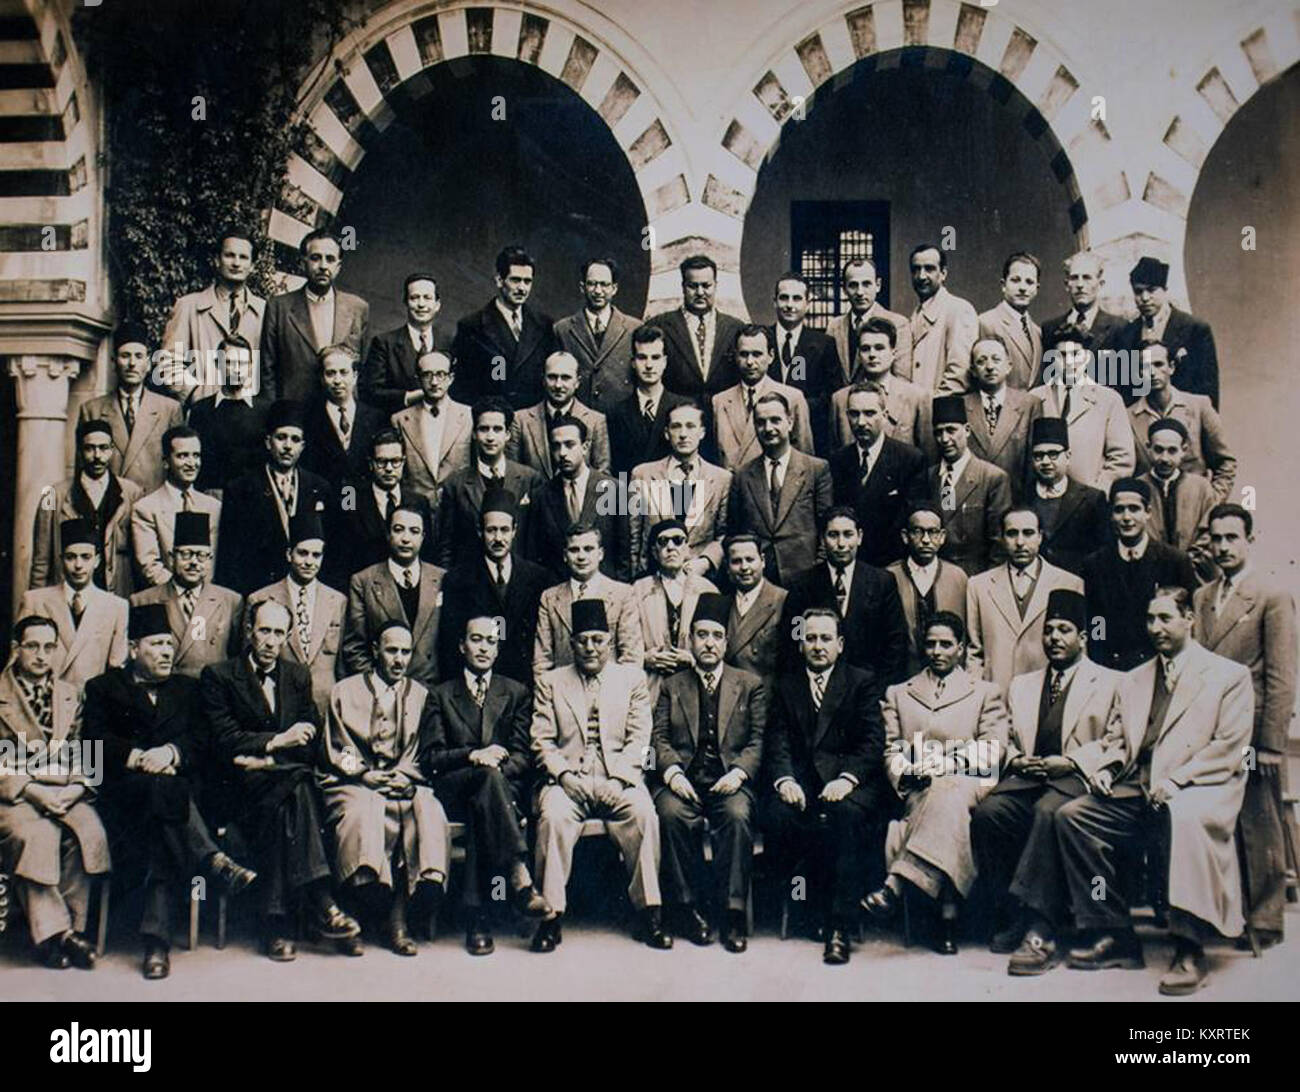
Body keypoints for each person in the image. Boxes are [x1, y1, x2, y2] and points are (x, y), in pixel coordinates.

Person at [1052, 587, 1252, 995]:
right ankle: (1113, 931)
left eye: (1165, 618)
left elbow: (1229, 748)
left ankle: (1188, 947)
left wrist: (1177, 780)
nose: (1155, 628)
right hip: (1138, 787)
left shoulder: (1227, 676)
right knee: (1073, 817)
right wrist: (1105, 768)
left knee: (1185, 818)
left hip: (1197, 787)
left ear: (1189, 619)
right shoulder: (1135, 679)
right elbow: (1116, 741)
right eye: (1150, 619)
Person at [82, 603, 257, 980]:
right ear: (133, 648)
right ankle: (212, 860)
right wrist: (136, 756)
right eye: (156, 644)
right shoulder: (102, 688)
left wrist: (172, 752)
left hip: (172, 809)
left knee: (166, 815)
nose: (166, 652)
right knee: (166, 795)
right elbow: (92, 742)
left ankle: (156, 943)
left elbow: (203, 741)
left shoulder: (188, 688)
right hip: (126, 804)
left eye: (169, 644)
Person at [968, 589, 1122, 974]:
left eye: (1065, 630)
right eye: (1049, 630)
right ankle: (1012, 912)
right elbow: (1004, 736)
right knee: (989, 813)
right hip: (1028, 777)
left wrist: (1070, 761)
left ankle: (1043, 927)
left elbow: (1115, 741)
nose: (1054, 638)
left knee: (1047, 813)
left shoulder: (1110, 683)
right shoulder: (1023, 684)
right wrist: (1016, 757)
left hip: (1074, 779)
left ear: (1083, 637)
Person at [201, 598, 361, 962]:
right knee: (299, 788)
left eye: (278, 633)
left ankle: (275, 923)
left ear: (287, 635)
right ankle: (323, 903)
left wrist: (264, 756)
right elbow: (223, 741)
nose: (271, 641)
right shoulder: (220, 676)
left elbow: (310, 742)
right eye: (264, 631)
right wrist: (278, 741)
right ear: (249, 632)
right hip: (238, 790)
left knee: (290, 800)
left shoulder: (297, 675)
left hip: (279, 784)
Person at [530, 598, 671, 952]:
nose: (590, 648)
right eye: (583, 641)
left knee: (644, 814)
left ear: (609, 642)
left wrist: (620, 779)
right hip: (569, 779)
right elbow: (542, 739)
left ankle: (649, 912)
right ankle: (550, 916)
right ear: (572, 643)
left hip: (617, 778)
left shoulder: (631, 678)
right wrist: (565, 777)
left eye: (598, 640)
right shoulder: (551, 681)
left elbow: (640, 738)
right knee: (553, 818)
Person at [868, 612, 1010, 954]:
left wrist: (944, 763)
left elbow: (994, 748)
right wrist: (908, 772)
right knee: (941, 796)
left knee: (946, 789)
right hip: (920, 787)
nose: (937, 651)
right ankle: (947, 914)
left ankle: (897, 882)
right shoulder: (900, 693)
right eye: (931, 643)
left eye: (946, 644)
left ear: (961, 648)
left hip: (970, 783)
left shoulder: (985, 692)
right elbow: (892, 748)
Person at [1194, 505, 1297, 948]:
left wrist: (1272, 743)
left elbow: (1280, 675)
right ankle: (1228, 912)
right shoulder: (1202, 597)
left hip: (1254, 731)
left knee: (1258, 817)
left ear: (1249, 540)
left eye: (1232, 538)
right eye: (1216, 539)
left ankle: (1266, 919)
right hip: (1213, 730)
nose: (1222, 548)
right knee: (1221, 819)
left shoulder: (1271, 596)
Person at [319, 621, 450, 957]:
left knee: (424, 809)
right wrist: (363, 774)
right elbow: (336, 748)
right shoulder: (344, 691)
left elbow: (423, 749)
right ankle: (357, 915)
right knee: (363, 812)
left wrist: (405, 774)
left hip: (403, 781)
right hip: (353, 783)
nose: (399, 659)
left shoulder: (421, 695)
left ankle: (398, 919)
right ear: (375, 649)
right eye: (392, 650)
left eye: (406, 652)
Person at [763, 608, 886, 965]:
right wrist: (785, 780)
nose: (818, 646)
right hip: (802, 784)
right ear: (800, 644)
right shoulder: (787, 684)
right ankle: (803, 905)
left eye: (826, 638)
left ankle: (838, 926)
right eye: (811, 638)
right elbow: (778, 740)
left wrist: (846, 780)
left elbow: (871, 742)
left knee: (844, 818)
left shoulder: (861, 681)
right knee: (777, 816)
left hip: (850, 783)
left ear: (840, 644)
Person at [422, 614, 550, 955]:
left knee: (486, 799)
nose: (483, 647)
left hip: (496, 792)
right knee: (487, 784)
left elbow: (524, 756)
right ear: (462, 646)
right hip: (455, 787)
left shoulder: (516, 692)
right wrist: (474, 755)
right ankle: (518, 876)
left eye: (490, 641)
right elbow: (432, 758)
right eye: (476, 639)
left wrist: (493, 768)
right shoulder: (440, 694)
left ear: (497, 648)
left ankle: (476, 918)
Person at [653, 593, 766, 953]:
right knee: (670, 815)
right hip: (685, 779)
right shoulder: (672, 685)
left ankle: (732, 914)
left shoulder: (749, 684)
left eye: (717, 636)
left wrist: (739, 774)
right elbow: (657, 737)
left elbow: (758, 739)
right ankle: (686, 909)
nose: (709, 643)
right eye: (701, 635)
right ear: (689, 640)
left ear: (726, 642)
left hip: (728, 780)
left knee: (736, 816)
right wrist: (672, 773)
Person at [0, 616, 110, 970]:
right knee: (36, 835)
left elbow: (85, 750)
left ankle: (69, 932)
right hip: (14, 796)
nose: (41, 655)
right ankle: (57, 936)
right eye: (32, 646)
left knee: (85, 833)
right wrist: (31, 789)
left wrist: (77, 787)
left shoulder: (69, 692)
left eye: (49, 647)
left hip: (64, 789)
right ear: (16, 649)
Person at [215, 399, 333, 597]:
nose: (288, 446)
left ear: (303, 446)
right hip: (258, 589)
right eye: (281, 438)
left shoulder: (319, 487)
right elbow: (230, 557)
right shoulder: (241, 489)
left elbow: (331, 547)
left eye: (295, 440)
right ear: (268, 442)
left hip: (305, 590)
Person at [781, 507, 909, 684]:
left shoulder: (882, 582)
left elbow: (896, 641)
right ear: (822, 539)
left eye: (848, 534)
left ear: (860, 537)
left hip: (868, 687)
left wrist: (880, 690)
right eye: (833, 535)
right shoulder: (802, 585)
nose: (841, 543)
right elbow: (794, 640)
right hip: (818, 688)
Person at [965, 508, 1085, 695]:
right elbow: (974, 653)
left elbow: (1085, 642)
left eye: (1028, 533)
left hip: (1046, 697)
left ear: (1040, 537)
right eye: (1012, 534)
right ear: (1002, 539)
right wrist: (976, 698)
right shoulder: (978, 586)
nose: (1020, 542)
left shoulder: (1070, 583)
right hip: (996, 698)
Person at [437, 487, 550, 685]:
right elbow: (450, 644)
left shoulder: (537, 578)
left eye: (504, 530)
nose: (498, 538)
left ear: (515, 530)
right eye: (491, 530)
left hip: (522, 684)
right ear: (480, 531)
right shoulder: (458, 580)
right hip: (477, 681)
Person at [1080, 479, 1196, 670]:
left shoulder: (1174, 561)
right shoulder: (1095, 564)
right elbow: (1096, 619)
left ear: (1148, 512)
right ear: (1111, 515)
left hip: (1159, 666)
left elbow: (1188, 621)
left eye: (1134, 509)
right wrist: (1099, 659)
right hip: (1112, 666)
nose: (1126, 517)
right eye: (1119, 510)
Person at [727, 391, 833, 587]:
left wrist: (817, 570)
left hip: (805, 578)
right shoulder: (742, 475)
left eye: (775, 420)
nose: (768, 428)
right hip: (759, 580)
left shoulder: (816, 469)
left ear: (790, 422)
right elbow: (735, 530)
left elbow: (826, 528)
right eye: (761, 422)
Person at [246, 512, 346, 717]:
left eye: (316, 555)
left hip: (325, 703)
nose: (309, 562)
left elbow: (343, 663)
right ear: (289, 554)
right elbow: (249, 662)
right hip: (277, 703)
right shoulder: (260, 598)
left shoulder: (337, 601)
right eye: (302, 553)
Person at [31, 418, 143, 598]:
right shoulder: (53, 495)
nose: (97, 456)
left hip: (116, 591)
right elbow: (41, 560)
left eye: (103, 448)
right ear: (80, 452)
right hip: (68, 593)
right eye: (90, 448)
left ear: (112, 450)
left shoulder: (132, 493)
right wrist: (36, 605)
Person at [157, 227, 266, 405]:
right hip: (204, 414)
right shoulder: (189, 306)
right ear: (217, 260)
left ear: (252, 266)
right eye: (229, 255)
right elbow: (168, 363)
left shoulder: (264, 311)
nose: (236, 263)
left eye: (243, 257)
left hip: (249, 415)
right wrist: (196, 394)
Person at [342, 502, 445, 688]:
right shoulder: (364, 581)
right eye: (398, 530)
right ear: (388, 534)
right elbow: (354, 647)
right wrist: (378, 686)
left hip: (430, 691)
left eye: (414, 531)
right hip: (381, 692)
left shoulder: (441, 578)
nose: (406, 538)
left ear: (423, 537)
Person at [260, 228, 369, 402]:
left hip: (340, 409)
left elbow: (363, 369)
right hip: (294, 409)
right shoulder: (279, 307)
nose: (323, 266)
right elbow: (267, 369)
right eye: (315, 258)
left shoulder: (358, 308)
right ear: (303, 263)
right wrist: (275, 413)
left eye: (330, 259)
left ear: (338, 267)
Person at [129, 512, 243, 679]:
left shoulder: (230, 600)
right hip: (165, 693)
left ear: (210, 559)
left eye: (201, 556)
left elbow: (235, 657)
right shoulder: (143, 600)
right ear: (172, 557)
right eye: (186, 554)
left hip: (210, 694)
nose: (194, 562)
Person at [434, 396, 544, 568]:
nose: (490, 437)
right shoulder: (455, 484)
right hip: (472, 581)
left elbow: (537, 541)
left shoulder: (529, 479)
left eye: (497, 429)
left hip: (519, 579)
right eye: (484, 429)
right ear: (474, 433)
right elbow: (447, 546)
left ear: (507, 434)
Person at [17, 519, 128, 688]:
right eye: (71, 557)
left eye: (86, 557)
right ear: (61, 560)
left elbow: (117, 666)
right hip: (47, 701)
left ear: (97, 561)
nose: (78, 565)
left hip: (92, 704)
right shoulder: (35, 600)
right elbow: (17, 659)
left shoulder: (116, 607)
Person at [77, 323, 185, 493]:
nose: (132, 363)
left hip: (154, 509)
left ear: (148, 364)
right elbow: (82, 470)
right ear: (114, 362)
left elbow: (178, 469)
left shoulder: (169, 410)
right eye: (125, 356)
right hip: (110, 508)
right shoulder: (92, 410)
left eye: (138, 356)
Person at [828, 380, 926, 567]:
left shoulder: (910, 459)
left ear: (884, 415)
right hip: (849, 563)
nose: (861, 422)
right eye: (854, 414)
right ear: (847, 416)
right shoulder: (837, 461)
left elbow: (912, 519)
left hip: (892, 564)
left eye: (869, 413)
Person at [629, 400, 731, 579]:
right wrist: (636, 577)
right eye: (676, 427)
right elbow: (633, 535)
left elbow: (723, 534)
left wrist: (705, 562)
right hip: (653, 577)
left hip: (701, 578)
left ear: (702, 433)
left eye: (691, 426)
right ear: (667, 433)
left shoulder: (721, 479)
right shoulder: (643, 474)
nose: (683, 434)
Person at [323, 428, 435, 587]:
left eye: (395, 461)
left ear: (403, 462)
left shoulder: (418, 501)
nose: (389, 468)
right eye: (382, 462)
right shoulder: (351, 496)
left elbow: (427, 553)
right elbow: (340, 552)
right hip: (363, 588)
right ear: (371, 463)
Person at [451, 245, 559, 409]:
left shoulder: (544, 325)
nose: (522, 288)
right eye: (515, 280)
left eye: (527, 281)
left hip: (533, 421)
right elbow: (461, 388)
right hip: (492, 424)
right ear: (499, 280)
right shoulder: (472, 326)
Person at [1127, 343, 1236, 499]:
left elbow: (1225, 463)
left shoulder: (1199, 406)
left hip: (1194, 505)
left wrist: (1211, 503)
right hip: (1151, 511)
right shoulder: (1128, 416)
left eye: (1158, 364)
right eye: (1144, 367)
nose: (1151, 373)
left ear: (1171, 367)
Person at [1108, 256, 1220, 406]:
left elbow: (1208, 389)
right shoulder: (1126, 334)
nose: (1145, 298)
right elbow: (1123, 389)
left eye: (1151, 290)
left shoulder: (1195, 329)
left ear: (1165, 290)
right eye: (1138, 292)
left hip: (1184, 419)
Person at [528, 415, 629, 581]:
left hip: (605, 590)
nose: (562, 453)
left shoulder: (614, 489)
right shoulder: (541, 495)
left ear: (585, 446)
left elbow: (623, 552)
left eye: (569, 445)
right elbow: (535, 554)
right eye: (556, 446)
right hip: (558, 592)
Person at [1032, 328, 1134, 492]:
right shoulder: (1035, 398)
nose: (1069, 362)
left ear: (1087, 357)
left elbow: (1122, 458)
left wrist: (1097, 492)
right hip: (1045, 495)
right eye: (1062, 355)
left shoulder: (1109, 399)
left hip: (1090, 499)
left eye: (1075, 354)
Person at [533, 524, 643, 674]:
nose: (581, 556)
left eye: (588, 549)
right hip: (563, 692)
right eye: (574, 550)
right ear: (565, 555)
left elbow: (631, 657)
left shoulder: (623, 594)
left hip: (610, 691)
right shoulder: (550, 598)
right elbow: (542, 660)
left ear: (600, 554)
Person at [633, 518, 718, 704]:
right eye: (663, 542)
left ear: (687, 549)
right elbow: (627, 641)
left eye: (678, 540)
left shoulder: (707, 590)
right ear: (655, 552)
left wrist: (693, 659)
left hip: (695, 685)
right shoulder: (638, 590)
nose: (671, 547)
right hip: (651, 686)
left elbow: (719, 647)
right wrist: (645, 658)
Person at [927, 395, 1012, 575]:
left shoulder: (992, 478)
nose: (944, 439)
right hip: (936, 575)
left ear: (966, 430)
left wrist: (986, 585)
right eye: (938, 432)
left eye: (951, 430)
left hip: (973, 576)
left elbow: (999, 545)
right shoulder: (928, 477)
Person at [129, 426, 222, 587]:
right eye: (182, 456)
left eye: (196, 456)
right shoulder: (146, 508)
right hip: (166, 598)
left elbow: (213, 563)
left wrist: (202, 595)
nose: (192, 463)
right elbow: (150, 566)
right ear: (166, 462)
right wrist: (182, 593)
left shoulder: (214, 507)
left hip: (207, 599)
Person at [711, 325, 814, 469]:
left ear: (771, 356)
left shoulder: (792, 398)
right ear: (735, 356)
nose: (750, 362)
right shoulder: (720, 401)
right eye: (744, 354)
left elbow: (805, 461)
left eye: (757, 354)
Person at [646, 254, 743, 404]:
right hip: (677, 417)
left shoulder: (735, 328)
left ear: (716, 285)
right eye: (693, 286)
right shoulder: (660, 326)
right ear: (683, 287)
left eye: (706, 286)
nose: (699, 292)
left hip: (723, 418)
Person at [887, 502, 968, 677]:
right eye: (917, 531)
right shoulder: (889, 577)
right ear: (905, 536)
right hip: (902, 676)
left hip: (949, 677)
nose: (925, 540)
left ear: (942, 537)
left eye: (932, 532)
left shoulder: (957, 577)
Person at [1025, 416, 1109, 577]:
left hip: (1078, 583)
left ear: (1068, 456)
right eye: (1038, 456)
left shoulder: (1092, 499)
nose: (1045, 461)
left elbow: (1103, 552)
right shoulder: (1022, 497)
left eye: (1053, 454)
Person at [554, 258, 641, 413]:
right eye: (592, 284)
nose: (598, 291)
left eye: (604, 284)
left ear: (614, 288)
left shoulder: (634, 328)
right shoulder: (562, 329)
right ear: (582, 287)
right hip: (576, 420)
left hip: (621, 418)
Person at [186, 335, 271, 492]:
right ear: (217, 364)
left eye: (243, 363)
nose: (237, 369)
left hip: (254, 501)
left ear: (252, 367)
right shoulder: (201, 411)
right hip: (212, 499)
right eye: (230, 363)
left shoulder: (265, 411)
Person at [828, 318, 928, 450]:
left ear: (893, 353)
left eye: (879, 348)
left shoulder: (916, 398)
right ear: (859, 355)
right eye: (865, 349)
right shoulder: (840, 400)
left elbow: (929, 457)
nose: (872, 355)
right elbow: (835, 455)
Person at [506, 350, 611, 474]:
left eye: (565, 378)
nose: (558, 385)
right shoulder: (520, 420)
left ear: (577, 382)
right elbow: (513, 475)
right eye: (552, 377)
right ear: (543, 380)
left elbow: (602, 475)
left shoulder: (595, 421)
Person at [962, 335, 1042, 496]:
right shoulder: (960, 405)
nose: (989, 367)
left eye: (996, 359)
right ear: (973, 371)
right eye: (981, 361)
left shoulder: (1030, 404)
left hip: (1014, 499)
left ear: (1009, 366)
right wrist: (948, 506)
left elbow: (1033, 462)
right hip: (971, 501)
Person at [361, 273, 452, 414]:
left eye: (427, 298)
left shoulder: (450, 342)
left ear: (437, 305)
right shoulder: (384, 343)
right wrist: (408, 397)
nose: (421, 304)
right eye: (414, 298)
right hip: (397, 426)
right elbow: (369, 391)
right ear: (406, 302)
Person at [605, 325, 690, 476]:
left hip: (674, 495)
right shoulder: (616, 413)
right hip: (632, 495)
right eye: (642, 357)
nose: (649, 365)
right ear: (632, 362)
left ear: (664, 362)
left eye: (655, 357)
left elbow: (689, 465)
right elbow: (618, 470)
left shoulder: (684, 408)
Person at [769, 272, 839, 452]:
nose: (790, 305)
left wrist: (797, 408)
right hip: (766, 432)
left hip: (807, 435)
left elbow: (831, 395)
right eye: (784, 298)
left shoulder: (824, 344)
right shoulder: (762, 340)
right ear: (774, 302)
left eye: (797, 298)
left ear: (807, 304)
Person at [390, 350, 473, 500]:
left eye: (440, 374)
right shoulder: (400, 420)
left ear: (451, 378)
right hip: (416, 506)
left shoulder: (468, 416)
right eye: (427, 375)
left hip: (458, 504)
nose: (434, 382)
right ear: (418, 379)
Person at [302, 344, 384, 493]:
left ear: (355, 376)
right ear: (322, 378)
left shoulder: (376, 418)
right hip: (324, 502)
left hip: (364, 505)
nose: (337, 380)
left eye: (343, 372)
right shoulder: (308, 418)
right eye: (330, 373)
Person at [826, 256, 912, 384]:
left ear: (878, 285)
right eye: (853, 285)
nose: (860, 292)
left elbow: (901, 380)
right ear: (844, 289)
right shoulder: (834, 327)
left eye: (866, 284)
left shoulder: (898, 324)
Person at [906, 243, 979, 392]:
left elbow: (959, 376)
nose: (921, 276)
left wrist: (930, 408)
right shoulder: (916, 314)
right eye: (916, 269)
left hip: (942, 410)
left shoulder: (958, 309)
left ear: (943, 273)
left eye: (929, 269)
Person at [1139, 419, 1217, 552]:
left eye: (1172, 451)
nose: (1164, 458)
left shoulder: (1201, 487)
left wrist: (1189, 562)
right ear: (1148, 448)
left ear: (1184, 450)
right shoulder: (1138, 487)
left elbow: (1210, 530)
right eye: (1158, 450)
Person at [721, 534, 787, 678]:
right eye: (736, 561)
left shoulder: (786, 601)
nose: (744, 567)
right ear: (727, 566)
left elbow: (795, 656)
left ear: (762, 561)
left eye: (750, 560)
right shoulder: (721, 603)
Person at [977, 252, 1043, 390]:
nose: (1023, 288)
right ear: (1003, 285)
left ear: (1036, 289)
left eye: (1029, 282)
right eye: (1015, 280)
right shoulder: (986, 323)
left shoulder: (1038, 332)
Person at [1040, 251, 1125, 352]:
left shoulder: (1119, 328)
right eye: (1074, 278)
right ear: (1067, 285)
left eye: (1087, 278)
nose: (1080, 284)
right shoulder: (1050, 329)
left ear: (1100, 284)